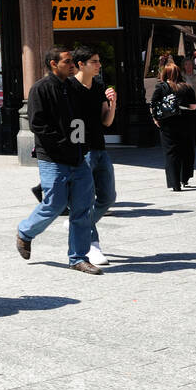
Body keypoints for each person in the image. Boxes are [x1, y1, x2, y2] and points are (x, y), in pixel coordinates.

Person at [16, 46, 101, 274]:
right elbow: (38, 124)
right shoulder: (40, 89)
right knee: (54, 204)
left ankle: (78, 258)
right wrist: (63, 143)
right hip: (53, 158)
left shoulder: (74, 88)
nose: (72, 64)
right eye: (67, 61)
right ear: (54, 64)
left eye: (72, 61)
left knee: (83, 209)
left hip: (78, 158)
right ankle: (25, 232)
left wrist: (83, 146)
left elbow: (87, 116)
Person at [73, 45, 117, 265]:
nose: (99, 65)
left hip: (100, 149)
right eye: (95, 62)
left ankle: (79, 224)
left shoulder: (98, 86)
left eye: (99, 61)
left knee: (108, 197)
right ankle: (92, 245)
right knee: (86, 200)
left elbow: (106, 121)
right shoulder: (70, 88)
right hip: (82, 151)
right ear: (81, 64)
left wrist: (113, 103)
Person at [150, 61, 196, 192]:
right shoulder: (187, 87)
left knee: (171, 152)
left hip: (167, 123)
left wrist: (155, 118)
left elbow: (153, 103)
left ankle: (175, 183)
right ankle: (185, 178)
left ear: (165, 74)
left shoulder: (161, 87)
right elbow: (193, 107)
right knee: (186, 150)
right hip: (185, 122)